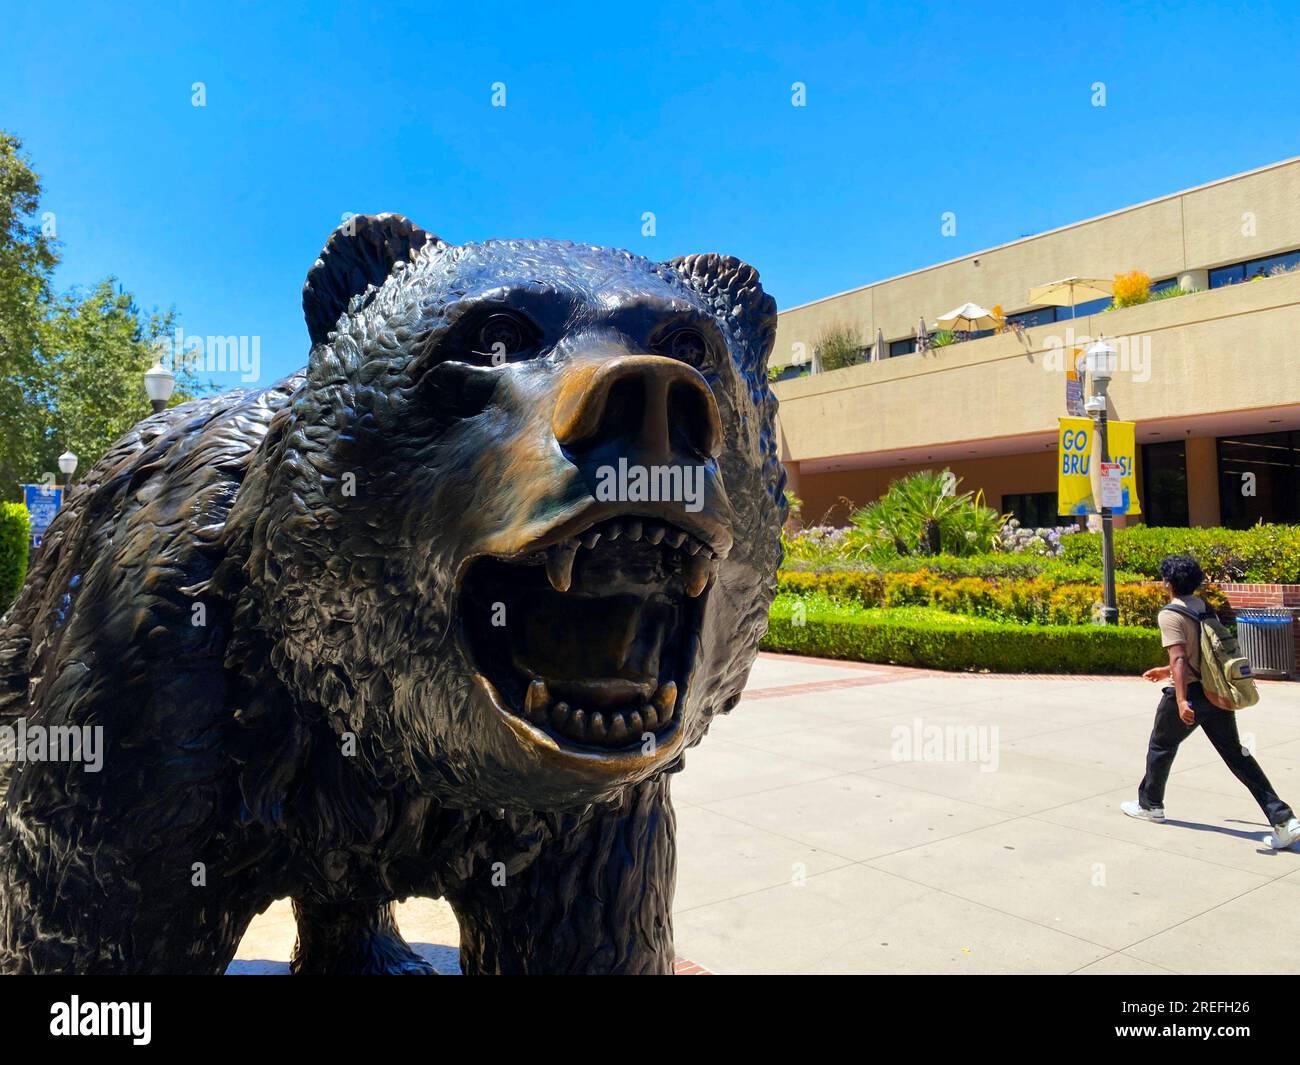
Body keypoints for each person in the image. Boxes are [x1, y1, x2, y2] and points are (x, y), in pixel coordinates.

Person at [1122, 553, 1300, 849]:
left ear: (1168, 582)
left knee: (1161, 745)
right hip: (1215, 692)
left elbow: (1180, 657)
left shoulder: (1171, 613)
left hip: (1190, 693)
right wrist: (1164, 670)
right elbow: (1206, 654)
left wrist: (1179, 700)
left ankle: (1150, 805)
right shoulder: (1205, 607)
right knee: (1235, 754)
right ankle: (1283, 818)